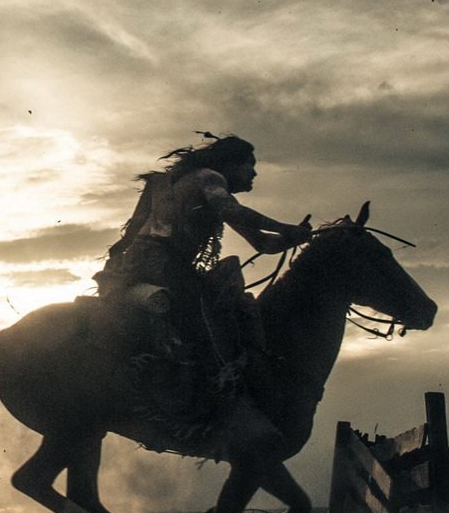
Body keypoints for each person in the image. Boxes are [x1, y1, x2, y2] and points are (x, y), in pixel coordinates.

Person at [95, 134, 310, 411]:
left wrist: (295, 237)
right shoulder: (210, 178)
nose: (254, 173)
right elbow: (233, 211)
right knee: (218, 315)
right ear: (231, 164)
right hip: (165, 266)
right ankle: (213, 385)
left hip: (139, 266)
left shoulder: (176, 184)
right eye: (249, 165)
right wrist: (286, 228)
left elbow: (263, 244)